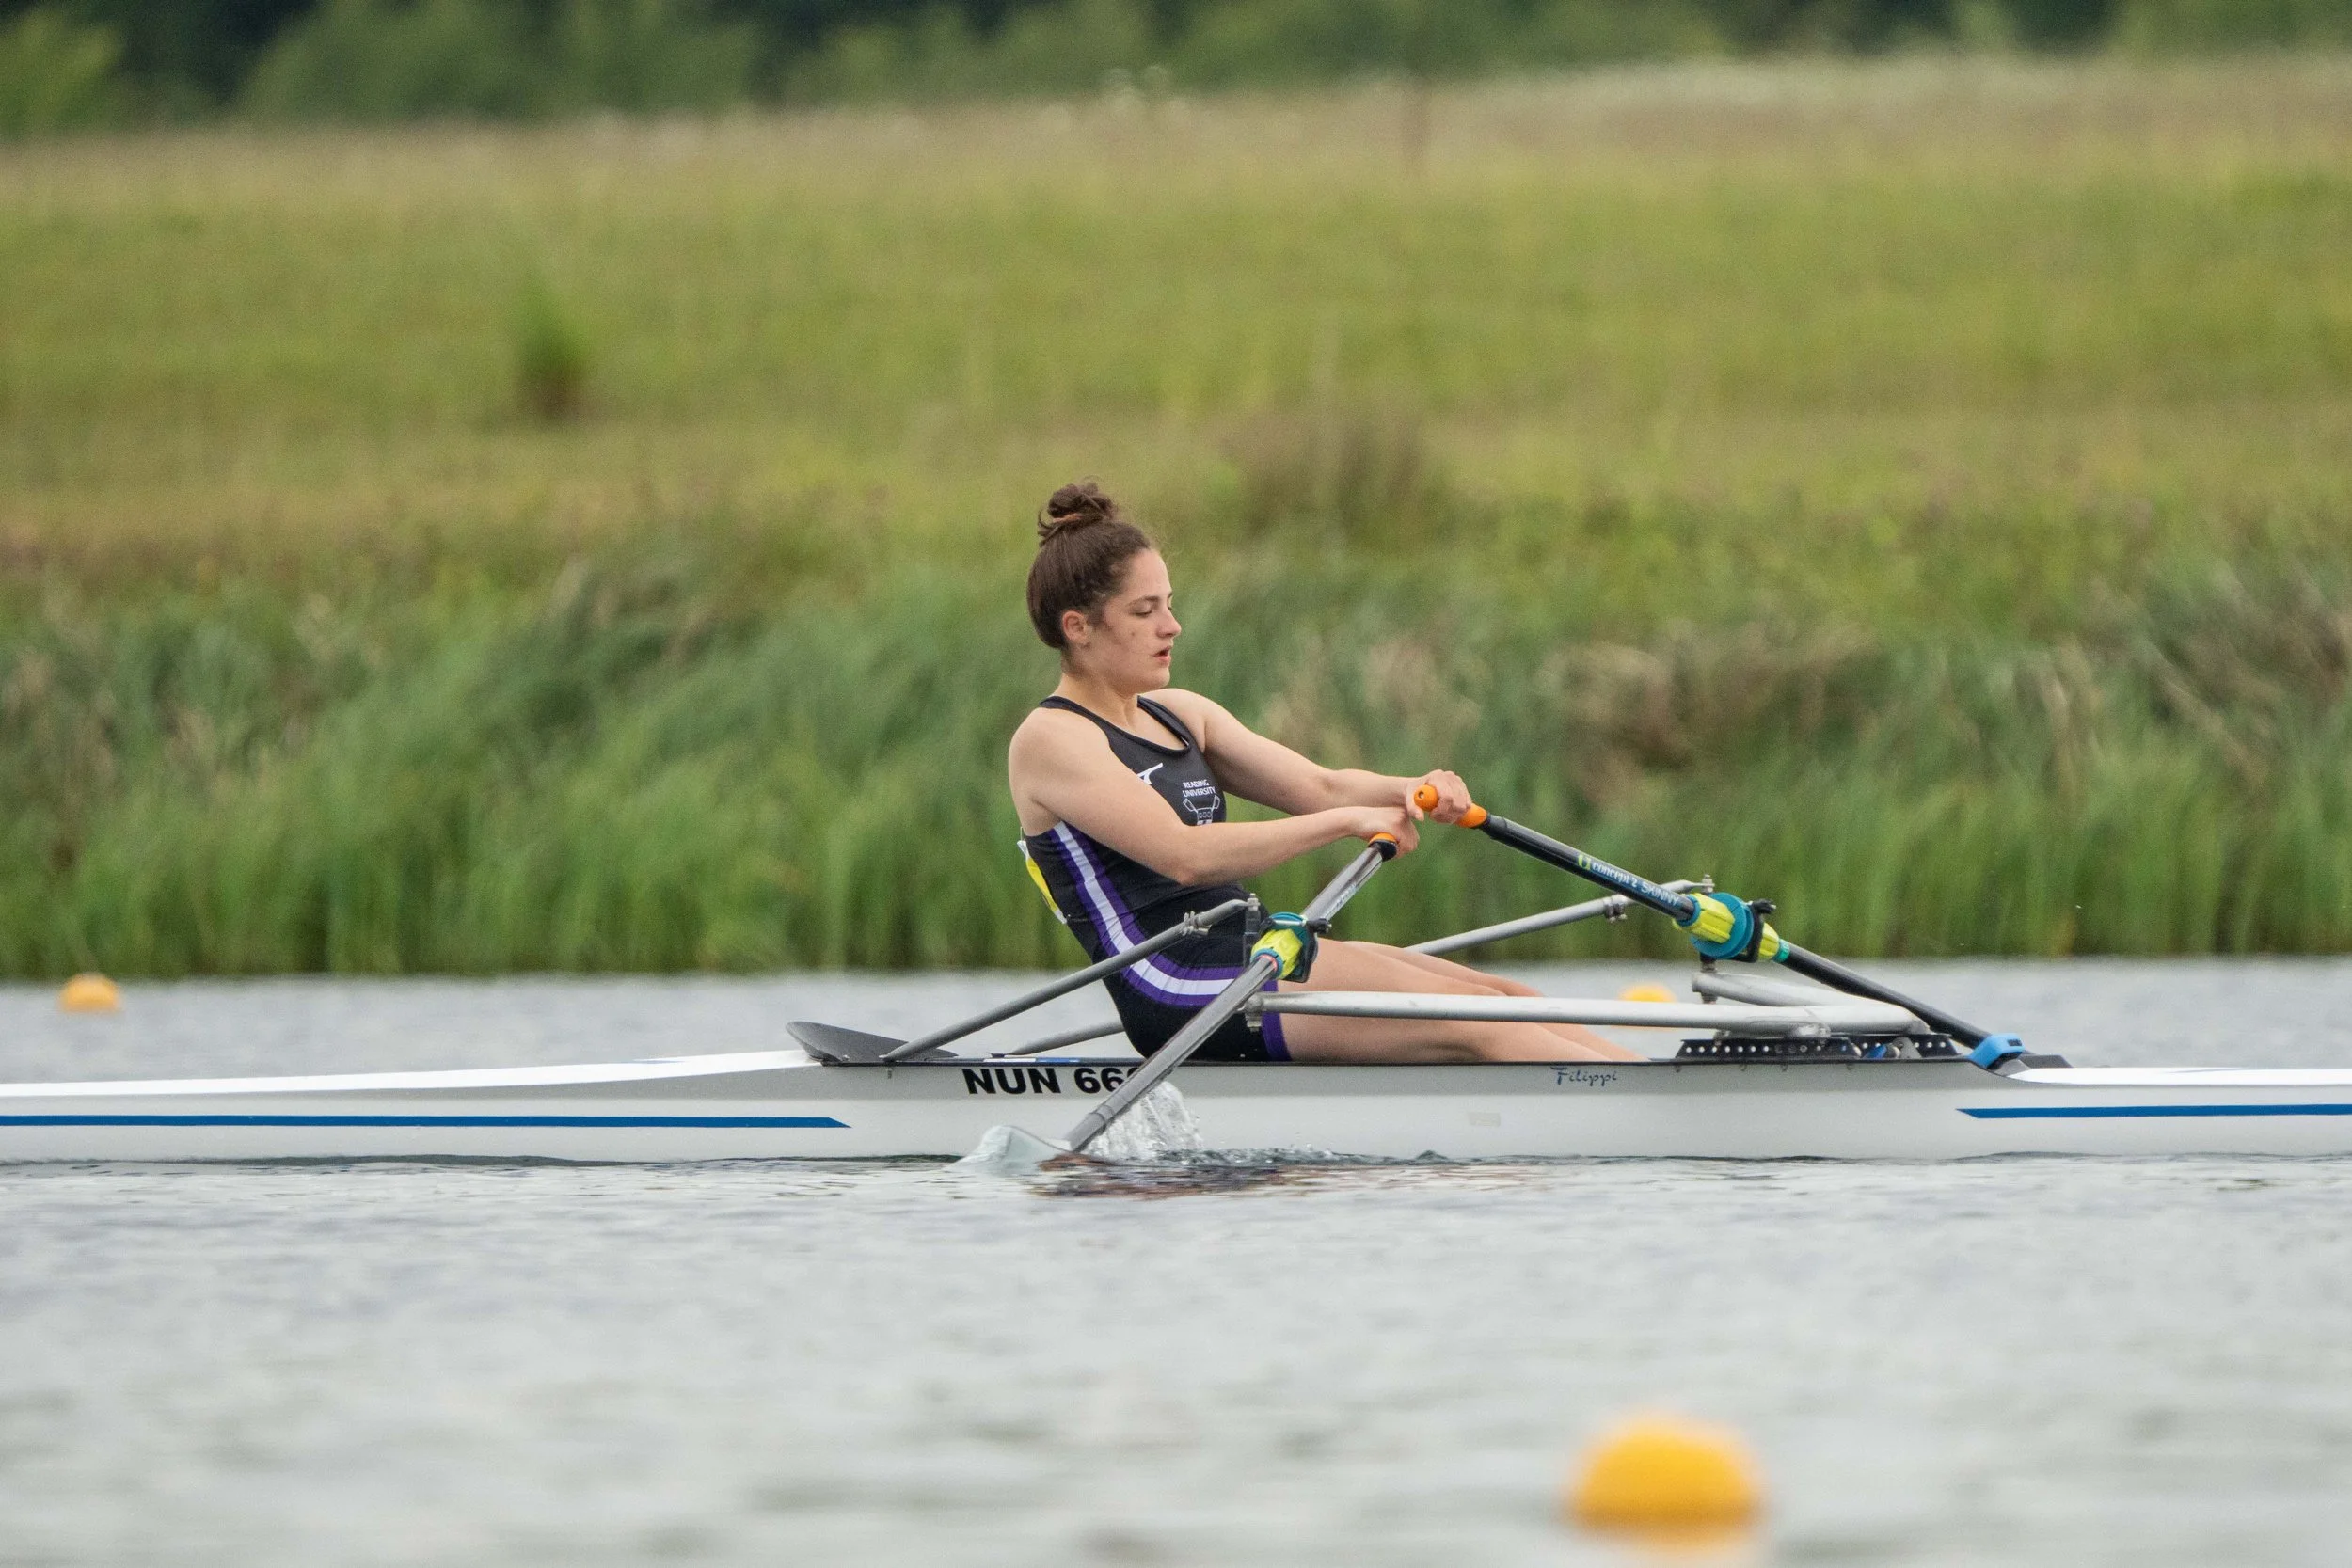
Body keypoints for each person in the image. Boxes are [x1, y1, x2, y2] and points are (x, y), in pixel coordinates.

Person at [1008, 481, 1643, 1066]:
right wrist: (1346, 823)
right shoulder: (1052, 740)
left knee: (1506, 997)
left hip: (1252, 948)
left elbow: (1322, 786)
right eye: (1144, 611)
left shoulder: (1179, 713)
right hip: (1174, 983)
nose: (1171, 626)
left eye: (1169, 605)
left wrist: (1409, 789)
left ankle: (1655, 1083)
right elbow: (1185, 857)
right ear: (1079, 627)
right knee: (1475, 1019)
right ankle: (1642, 1110)